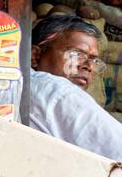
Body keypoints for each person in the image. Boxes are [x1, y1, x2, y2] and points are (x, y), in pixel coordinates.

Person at [25, 12, 122, 159]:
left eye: (94, 60)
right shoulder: (59, 92)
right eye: (76, 54)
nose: (89, 66)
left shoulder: (26, 85)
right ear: (35, 56)